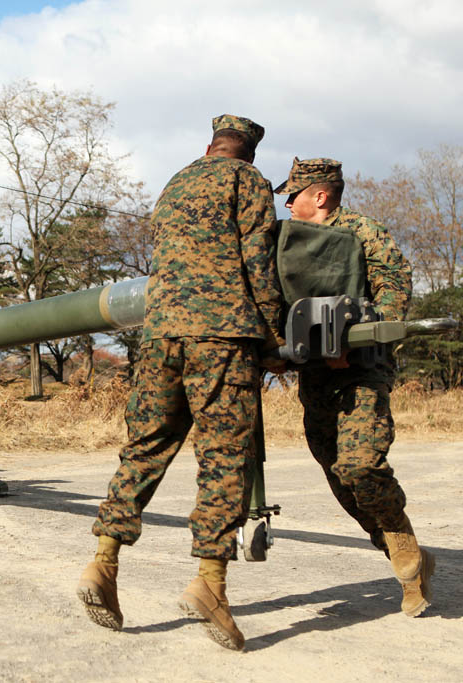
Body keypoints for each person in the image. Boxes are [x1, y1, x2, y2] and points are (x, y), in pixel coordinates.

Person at [76, 115, 284, 651]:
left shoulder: (176, 182)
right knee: (223, 456)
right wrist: (273, 337)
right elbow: (258, 262)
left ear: (209, 146)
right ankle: (209, 584)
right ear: (250, 155)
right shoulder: (249, 183)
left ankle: (103, 563)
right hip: (222, 335)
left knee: (144, 448)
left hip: (161, 332)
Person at [275, 157, 434, 617]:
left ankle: (403, 544)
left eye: (294, 194)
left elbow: (394, 292)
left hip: (360, 371)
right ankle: (411, 565)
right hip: (315, 378)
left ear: (320, 196)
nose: (287, 203)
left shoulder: (365, 232)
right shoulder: (288, 245)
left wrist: (351, 335)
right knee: (341, 479)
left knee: (361, 465)